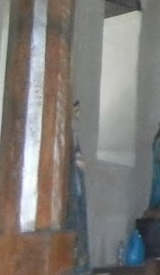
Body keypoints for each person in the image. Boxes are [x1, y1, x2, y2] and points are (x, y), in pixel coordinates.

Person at [63, 100, 90, 273]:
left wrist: (78, 162)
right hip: (69, 188)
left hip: (76, 185)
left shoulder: (73, 134)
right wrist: (75, 162)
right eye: (76, 111)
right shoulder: (64, 133)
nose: (78, 115)